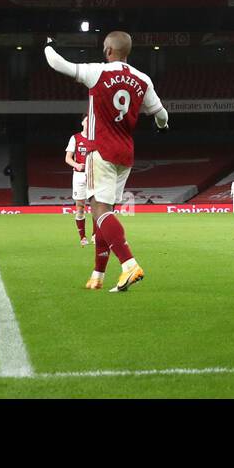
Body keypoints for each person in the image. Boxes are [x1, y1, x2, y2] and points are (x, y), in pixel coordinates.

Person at [44, 32, 169, 292]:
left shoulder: (98, 72)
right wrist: (162, 127)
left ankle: (129, 264)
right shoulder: (142, 79)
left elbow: (57, 64)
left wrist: (47, 45)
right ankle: (98, 275)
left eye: (104, 48)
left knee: (100, 212)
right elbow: (161, 114)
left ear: (109, 49)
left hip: (100, 150)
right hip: (126, 153)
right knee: (104, 213)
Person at [64, 116, 92, 245]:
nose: (88, 122)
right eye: (86, 120)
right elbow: (68, 158)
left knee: (98, 207)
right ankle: (82, 237)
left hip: (94, 175)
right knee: (80, 207)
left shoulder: (97, 137)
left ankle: (95, 235)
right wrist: (76, 165)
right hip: (79, 176)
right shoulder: (75, 138)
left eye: (90, 120)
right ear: (82, 123)